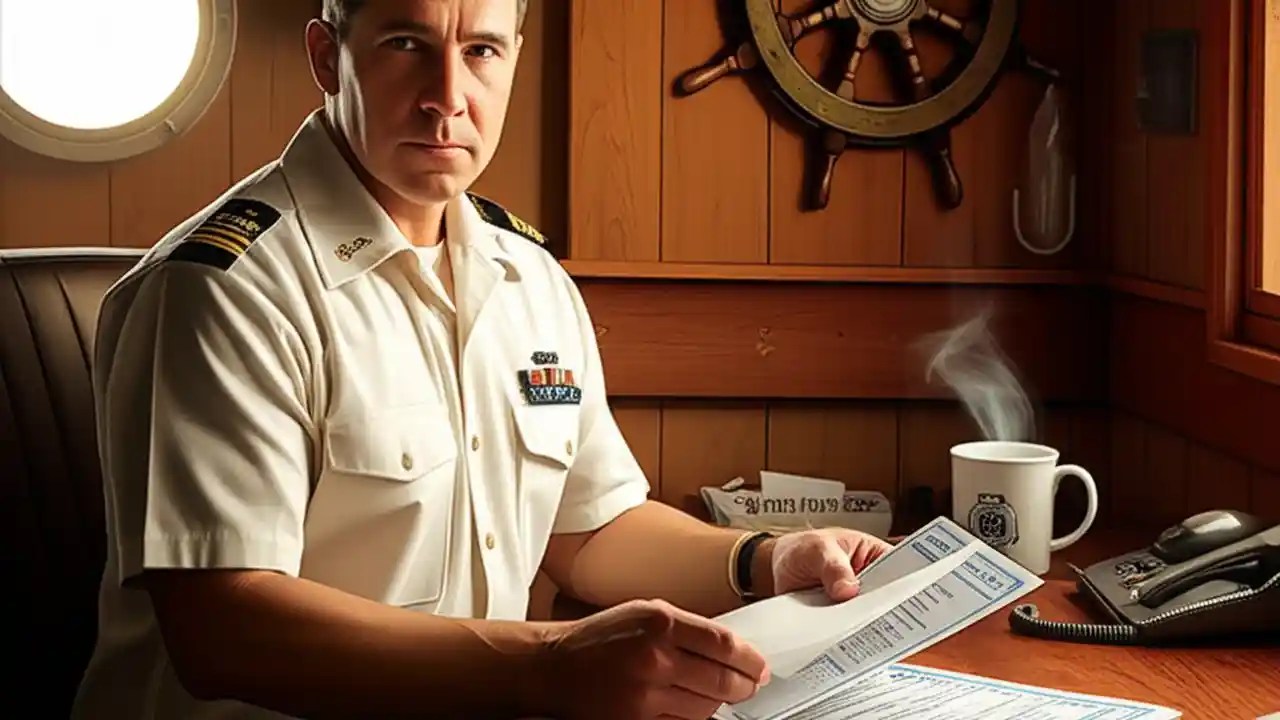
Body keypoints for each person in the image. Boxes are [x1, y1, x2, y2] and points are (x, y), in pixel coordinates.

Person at [72, 1, 892, 718]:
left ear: (514, 60)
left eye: (482, 51)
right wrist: (548, 665)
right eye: (405, 44)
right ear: (328, 57)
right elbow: (225, 628)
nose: (449, 99)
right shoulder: (227, 289)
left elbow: (592, 529)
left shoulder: (527, 275)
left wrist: (762, 560)